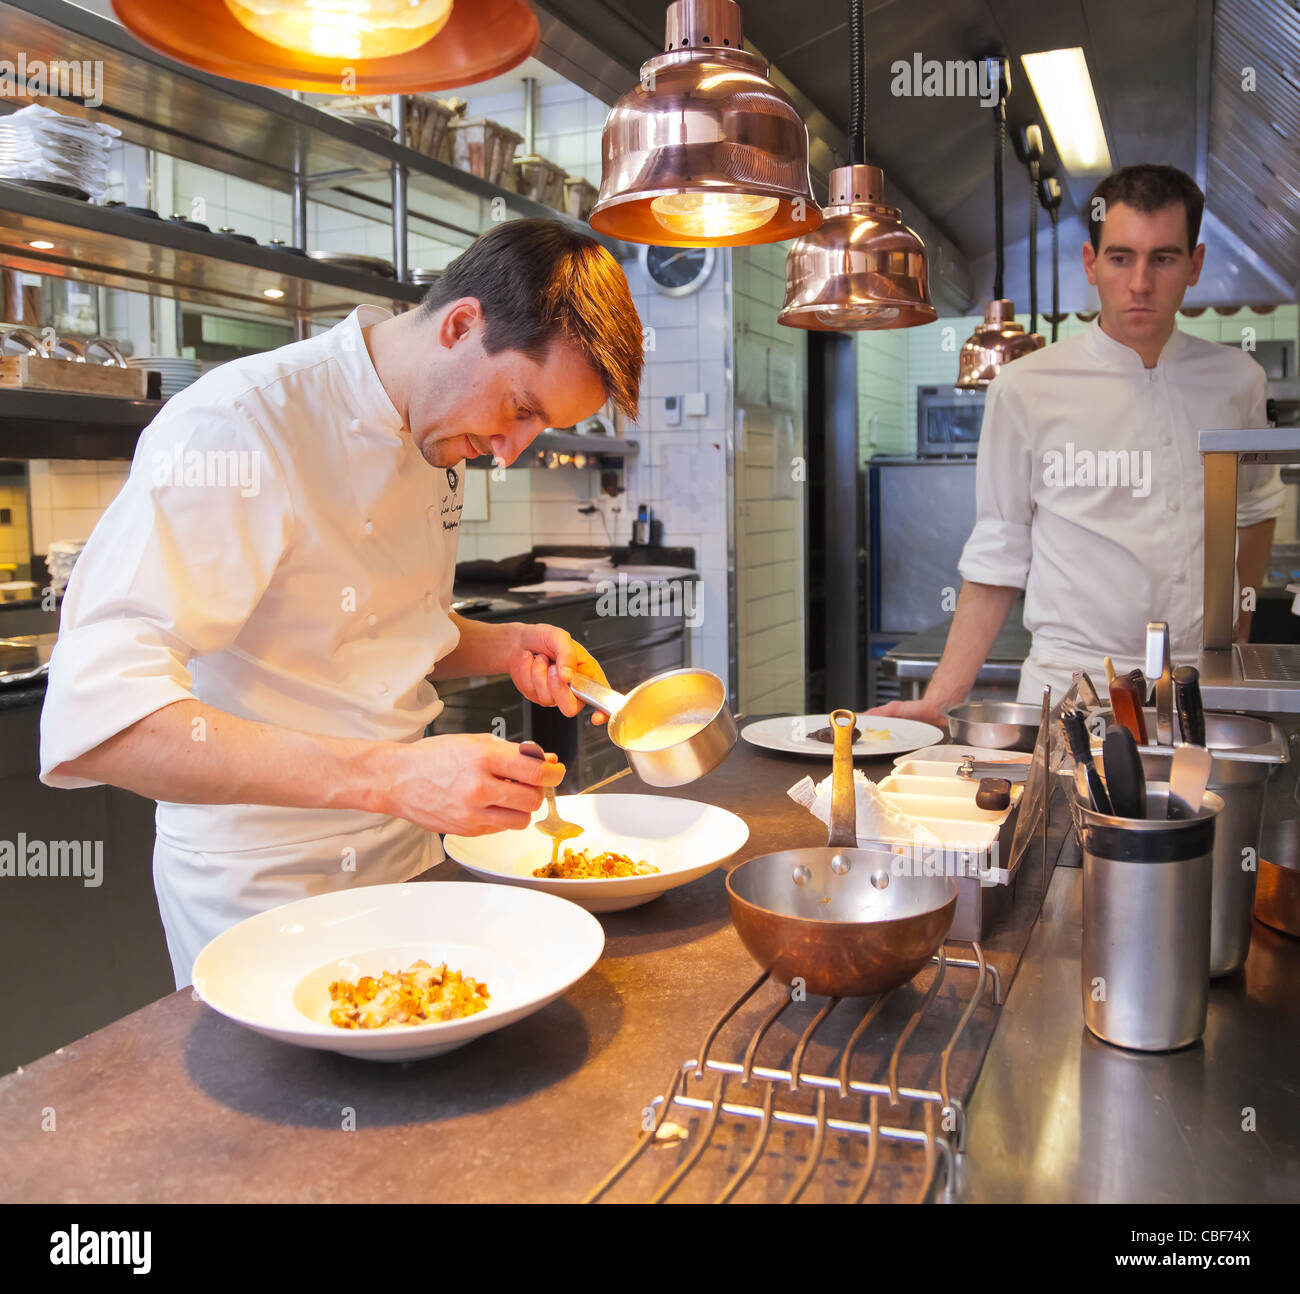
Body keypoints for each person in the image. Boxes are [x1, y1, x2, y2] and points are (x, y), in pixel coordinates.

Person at [38, 219, 644, 986]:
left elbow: (368, 629)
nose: (509, 451)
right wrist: (389, 776)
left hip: (415, 856)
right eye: (520, 407)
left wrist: (503, 643)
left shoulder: (437, 429)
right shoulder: (240, 427)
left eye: (539, 426)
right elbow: (96, 721)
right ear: (460, 325)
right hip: (264, 884)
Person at [872, 163, 1282, 722]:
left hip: (1197, 687)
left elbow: (1256, 509)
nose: (1140, 284)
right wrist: (941, 700)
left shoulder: (1239, 379)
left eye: (1162, 258)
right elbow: (1000, 546)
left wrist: (1237, 625)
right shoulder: (1024, 387)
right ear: (1091, 265)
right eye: (1120, 258)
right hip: (1068, 689)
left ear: (1195, 265)